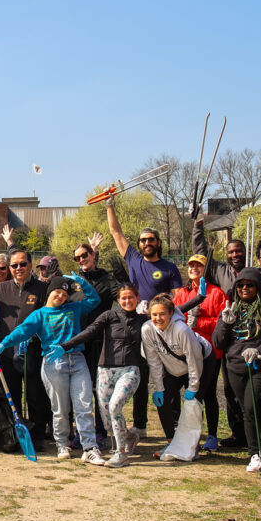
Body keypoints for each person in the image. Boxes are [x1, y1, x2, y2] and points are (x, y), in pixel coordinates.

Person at [0, 272, 101, 463]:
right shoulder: (40, 314)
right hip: (53, 363)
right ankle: (62, 444)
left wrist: (81, 282)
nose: (61, 297)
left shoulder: (74, 308)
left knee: (83, 405)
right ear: (50, 292)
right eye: (57, 292)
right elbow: (22, 331)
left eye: (65, 294)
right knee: (59, 408)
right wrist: (4, 344)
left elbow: (94, 300)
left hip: (77, 359)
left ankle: (90, 447)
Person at [105, 198, 182, 438]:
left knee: (168, 378)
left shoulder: (169, 267)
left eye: (151, 239)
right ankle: (140, 425)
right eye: (143, 240)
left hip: (163, 327)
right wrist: (109, 205)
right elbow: (116, 232)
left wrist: (162, 310)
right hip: (139, 326)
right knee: (139, 376)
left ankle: (175, 425)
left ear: (159, 242)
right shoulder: (134, 260)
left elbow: (178, 299)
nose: (147, 243)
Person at [60, 285, 146, 468]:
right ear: (118, 300)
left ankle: (121, 454)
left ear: (137, 298)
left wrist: (199, 297)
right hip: (105, 370)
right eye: (123, 298)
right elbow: (90, 331)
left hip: (130, 370)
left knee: (115, 407)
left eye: (131, 297)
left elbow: (168, 313)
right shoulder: (109, 316)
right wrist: (65, 346)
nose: (127, 301)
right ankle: (130, 437)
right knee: (107, 421)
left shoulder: (144, 319)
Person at [211, 267, 261, 473]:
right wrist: (225, 322)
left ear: (258, 286)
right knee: (246, 410)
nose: (244, 289)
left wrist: (259, 349)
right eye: (240, 285)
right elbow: (218, 342)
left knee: (252, 408)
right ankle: (255, 454)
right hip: (235, 366)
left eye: (249, 285)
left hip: (260, 366)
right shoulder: (232, 308)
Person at [0, 247, 53, 444]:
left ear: (30, 265)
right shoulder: (2, 288)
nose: (18, 268)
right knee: (12, 397)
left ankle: (38, 436)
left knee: (35, 397)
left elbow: (50, 316)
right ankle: (14, 435)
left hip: (33, 352)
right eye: (14, 265)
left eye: (23, 264)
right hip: (7, 353)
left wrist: (34, 338)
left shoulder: (42, 289)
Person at [143, 294, 216, 450]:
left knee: (193, 402)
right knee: (161, 401)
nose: (158, 318)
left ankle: (192, 444)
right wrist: (159, 388)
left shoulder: (181, 329)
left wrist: (193, 386)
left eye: (162, 314)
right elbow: (154, 361)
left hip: (201, 361)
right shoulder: (147, 329)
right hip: (173, 367)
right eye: (154, 314)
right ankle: (172, 442)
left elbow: (193, 359)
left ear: (171, 313)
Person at [173, 254, 227, 450]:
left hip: (211, 352)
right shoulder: (182, 294)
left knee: (209, 393)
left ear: (206, 269)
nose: (194, 268)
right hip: (187, 351)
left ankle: (212, 435)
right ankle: (192, 434)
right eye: (191, 265)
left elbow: (224, 322)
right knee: (190, 393)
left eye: (199, 265)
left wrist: (199, 321)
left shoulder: (217, 293)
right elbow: (174, 316)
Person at [72, 233, 119, 449]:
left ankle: (100, 431)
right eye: (78, 258)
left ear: (93, 255)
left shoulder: (106, 279)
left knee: (98, 388)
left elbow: (122, 295)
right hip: (78, 340)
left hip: (99, 341)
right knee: (78, 389)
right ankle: (80, 431)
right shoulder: (73, 283)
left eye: (84, 255)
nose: (81, 260)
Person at [193, 212, 245, 294]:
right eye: (231, 252)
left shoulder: (254, 271)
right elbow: (201, 254)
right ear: (226, 254)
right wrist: (198, 225)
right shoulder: (221, 271)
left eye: (238, 251)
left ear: (245, 252)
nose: (234, 255)